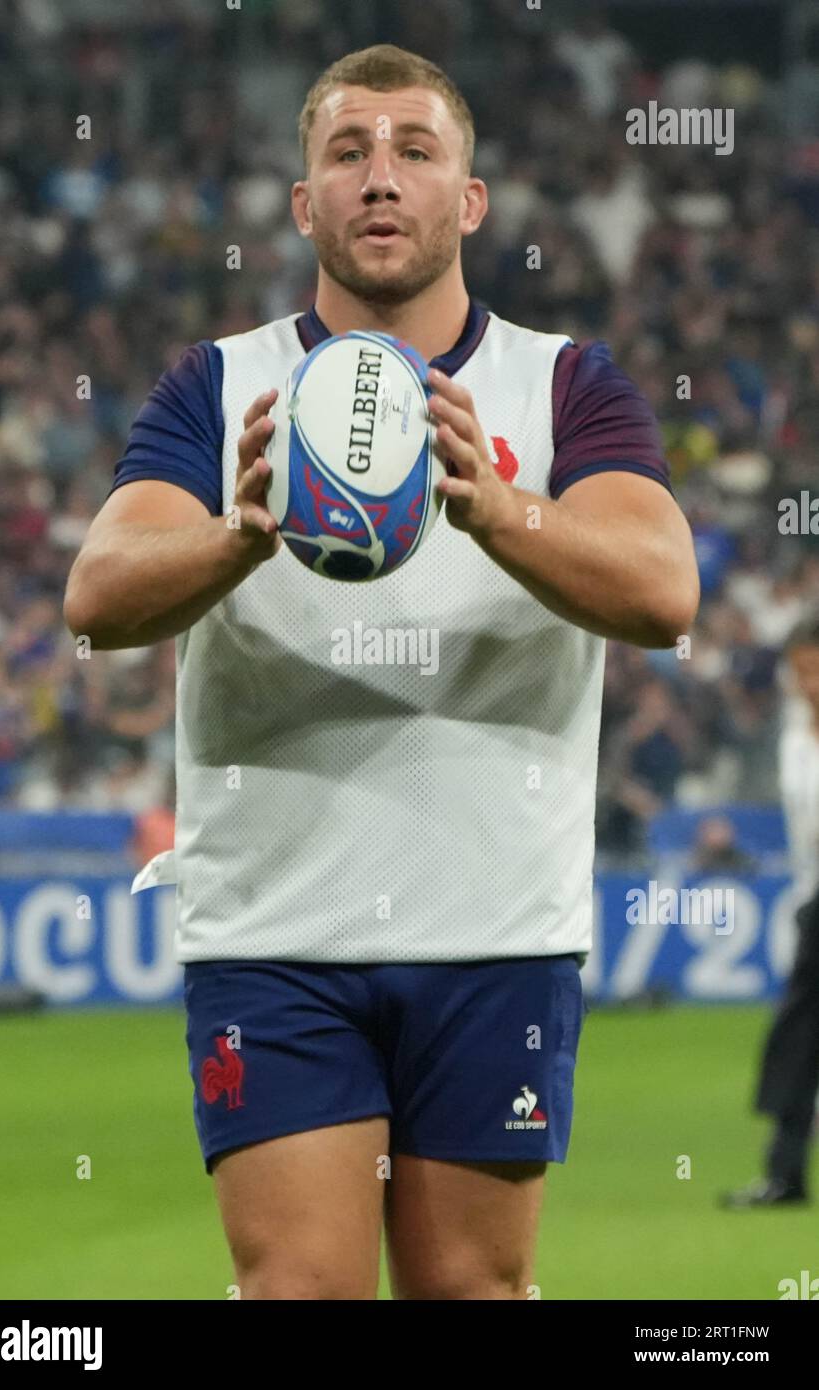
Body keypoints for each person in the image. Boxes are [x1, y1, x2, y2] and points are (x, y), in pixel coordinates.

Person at [63, 44, 699, 1300]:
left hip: (496, 927)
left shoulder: (564, 382)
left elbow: (662, 590)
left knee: (473, 1293)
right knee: (299, 1291)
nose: (379, 177)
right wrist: (238, 532)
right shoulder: (219, 385)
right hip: (276, 930)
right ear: (304, 205)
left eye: (415, 150)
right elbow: (98, 596)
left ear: (468, 201)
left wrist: (498, 510)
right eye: (347, 153)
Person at [720, 616, 819, 1208]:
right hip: (816, 901)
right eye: (800, 670)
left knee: (799, 1032)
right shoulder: (793, 732)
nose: (808, 681)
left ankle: (784, 1176)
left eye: (816, 669)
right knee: (798, 1038)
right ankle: (784, 1175)